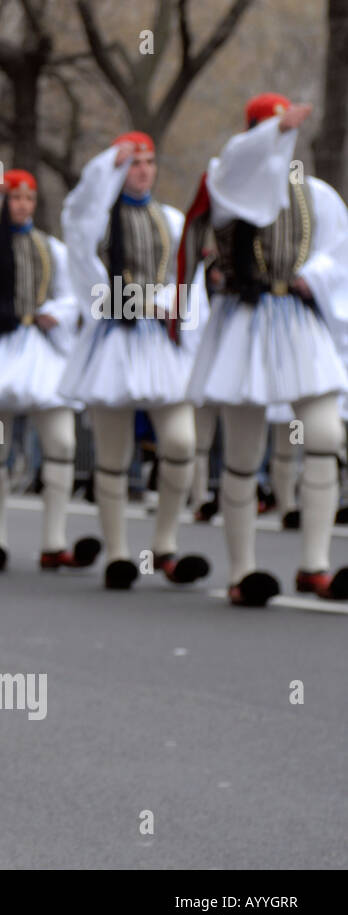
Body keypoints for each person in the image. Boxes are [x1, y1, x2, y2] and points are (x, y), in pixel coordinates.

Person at [180, 94, 348, 604]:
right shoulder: (227, 181)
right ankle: (243, 571)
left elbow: (337, 250)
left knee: (324, 433)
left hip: (295, 316)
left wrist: (313, 276)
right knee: (243, 449)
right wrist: (272, 132)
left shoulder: (314, 193)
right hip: (245, 318)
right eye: (268, 130)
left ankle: (314, 564)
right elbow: (240, 163)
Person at [58, 132, 211, 590]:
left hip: (160, 342)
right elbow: (76, 222)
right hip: (115, 339)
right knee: (113, 455)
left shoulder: (171, 219)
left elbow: (188, 279)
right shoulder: (99, 220)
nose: (143, 170)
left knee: (181, 442)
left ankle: (164, 544)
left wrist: (174, 308)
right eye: (134, 163)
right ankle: (119, 553)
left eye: (148, 162)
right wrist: (106, 164)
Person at [0, 170, 100, 574]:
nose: (23, 205)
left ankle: (54, 541)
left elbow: (72, 295)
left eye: (29, 198)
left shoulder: (51, 248)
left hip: (40, 352)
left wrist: (55, 313)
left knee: (61, 443)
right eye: (15, 198)